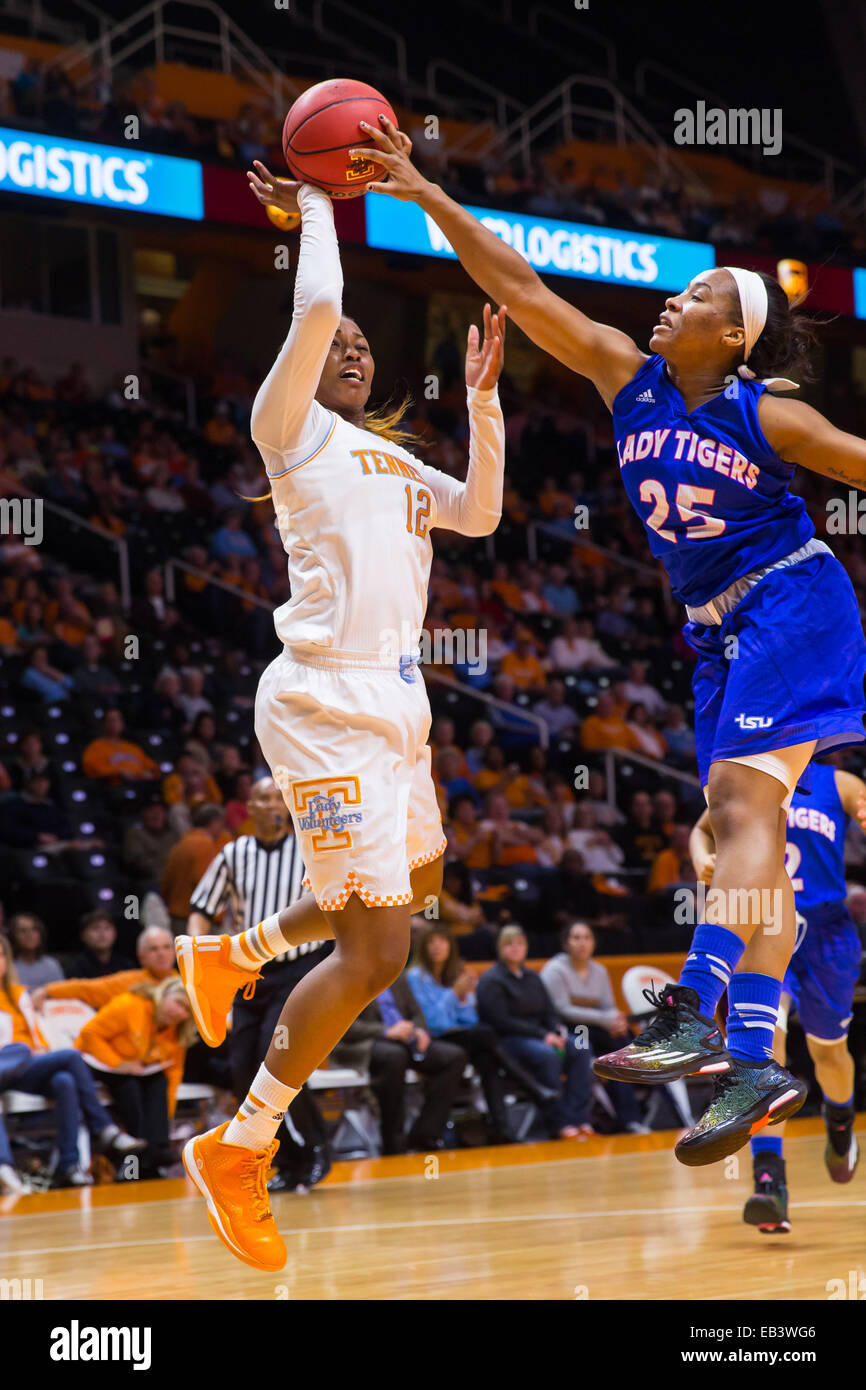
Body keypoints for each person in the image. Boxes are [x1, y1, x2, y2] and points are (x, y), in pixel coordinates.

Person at [365, 116, 866, 1163]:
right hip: (714, 634)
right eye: (679, 291)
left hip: (792, 602)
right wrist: (423, 194)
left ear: (732, 339)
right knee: (743, 844)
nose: (673, 301)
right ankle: (752, 1057)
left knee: (736, 810)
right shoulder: (620, 376)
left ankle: (692, 1009)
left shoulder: (766, 415)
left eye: (699, 301)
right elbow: (522, 287)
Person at [174, 159, 506, 1270]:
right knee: (375, 951)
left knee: (407, 897)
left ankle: (234, 951)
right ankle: (241, 1143)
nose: (351, 346)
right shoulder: (292, 429)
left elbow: (483, 511)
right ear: (305, 365)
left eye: (367, 344)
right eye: (338, 344)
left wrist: (483, 399)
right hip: (322, 698)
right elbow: (316, 303)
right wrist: (315, 203)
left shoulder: (395, 457)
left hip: (396, 703)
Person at [690, 759, 866, 1233]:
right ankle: (769, 1181)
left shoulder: (839, 782)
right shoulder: (755, 773)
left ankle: (840, 1120)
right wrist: (700, 857)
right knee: (765, 1047)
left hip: (827, 932)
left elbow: (859, 804)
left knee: (828, 1052)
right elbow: (702, 829)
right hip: (767, 923)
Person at [186, 776, 332, 1193]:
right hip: (248, 975)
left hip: (298, 969)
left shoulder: (307, 851)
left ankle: (319, 1148)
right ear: (248, 807)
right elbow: (200, 908)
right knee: (242, 1073)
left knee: (278, 1060)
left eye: (278, 799)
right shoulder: (233, 854)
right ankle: (286, 1160)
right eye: (263, 798)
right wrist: (198, 953)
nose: (272, 805)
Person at [0, 936, 144, 1187]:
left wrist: (42, 1049)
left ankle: (68, 1165)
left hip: (27, 1067)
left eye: (1, 955)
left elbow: (39, 1033)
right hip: (7, 1062)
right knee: (61, 1055)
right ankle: (104, 1128)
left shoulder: (19, 995)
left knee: (65, 1081)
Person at [407, 926, 557, 1142]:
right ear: (423, 947)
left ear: (451, 946)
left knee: (488, 1060)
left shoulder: (456, 974)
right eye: (431, 942)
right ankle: (532, 1087)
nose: (437, 946)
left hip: (461, 1037)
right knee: (485, 1035)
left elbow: (469, 1019)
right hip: (435, 1041)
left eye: (442, 941)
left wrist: (462, 997)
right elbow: (432, 1023)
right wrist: (454, 995)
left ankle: (503, 1131)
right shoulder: (416, 978)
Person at [476, 925, 594, 1139]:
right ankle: (560, 1123)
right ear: (500, 948)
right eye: (509, 944)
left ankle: (581, 1119)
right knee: (546, 1055)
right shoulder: (491, 980)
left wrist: (557, 1030)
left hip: (543, 1035)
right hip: (509, 1041)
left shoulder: (532, 977)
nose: (515, 948)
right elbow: (500, 1021)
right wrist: (543, 1035)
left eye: (520, 943)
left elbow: (549, 1011)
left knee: (581, 1047)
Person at [76, 975, 195, 1178]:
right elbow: (89, 1034)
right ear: (164, 993)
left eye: (186, 1011)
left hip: (137, 1069)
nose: (180, 1013)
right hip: (97, 1062)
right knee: (129, 1086)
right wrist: (119, 1063)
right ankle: (136, 1161)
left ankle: (155, 1151)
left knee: (159, 1081)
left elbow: (174, 1074)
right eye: (178, 1003)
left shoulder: (176, 1029)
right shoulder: (130, 1005)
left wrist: (168, 1115)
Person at [541, 922, 648, 1133]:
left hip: (599, 1029)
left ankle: (631, 1114)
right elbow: (562, 1009)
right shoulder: (554, 970)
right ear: (566, 943)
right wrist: (604, 1019)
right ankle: (629, 1112)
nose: (582, 943)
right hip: (569, 1029)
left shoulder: (599, 970)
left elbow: (609, 1007)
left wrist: (616, 1021)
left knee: (623, 1039)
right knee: (599, 1045)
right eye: (576, 938)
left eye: (587, 937)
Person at [161, 804, 228, 934]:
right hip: (196, 920)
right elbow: (205, 883)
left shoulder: (180, 844)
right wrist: (218, 916)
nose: (222, 829)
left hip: (177, 917)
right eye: (221, 824)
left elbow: (166, 884)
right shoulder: (205, 844)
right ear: (214, 823)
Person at [82, 709, 160, 783]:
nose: (115, 723)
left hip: (140, 785)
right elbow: (92, 768)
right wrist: (118, 772)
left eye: (118, 719)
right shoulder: (96, 747)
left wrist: (150, 772)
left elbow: (152, 767)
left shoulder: (132, 747)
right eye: (111, 720)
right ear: (104, 724)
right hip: (114, 788)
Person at [60, 911, 135, 979]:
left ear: (115, 933)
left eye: (107, 928)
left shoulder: (126, 966)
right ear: (83, 935)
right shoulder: (74, 968)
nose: (102, 934)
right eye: (95, 928)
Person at [7, 913, 63, 990]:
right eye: (23, 931)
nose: (29, 935)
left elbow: (61, 994)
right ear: (13, 936)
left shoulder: (51, 964)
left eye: (34, 929)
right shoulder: (8, 967)